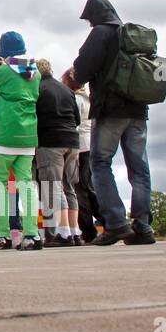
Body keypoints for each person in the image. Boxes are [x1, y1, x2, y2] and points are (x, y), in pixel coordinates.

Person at [72, 0, 154, 246]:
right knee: (139, 169)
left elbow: (83, 69)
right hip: (138, 110)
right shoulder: (133, 35)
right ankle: (143, 227)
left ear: (94, 16)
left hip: (110, 109)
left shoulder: (101, 33)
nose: (88, 24)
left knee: (100, 163)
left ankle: (117, 223)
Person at [0, 32, 42, 250]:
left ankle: (2, 233)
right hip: (27, 136)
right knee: (26, 184)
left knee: (0, 185)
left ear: (4, 53)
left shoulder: (4, 71)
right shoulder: (36, 73)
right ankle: (32, 234)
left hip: (5, 135)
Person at [34, 59, 81, 247]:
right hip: (72, 140)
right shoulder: (66, 90)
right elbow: (76, 118)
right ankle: (74, 231)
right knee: (69, 186)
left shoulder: (37, 90)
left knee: (53, 187)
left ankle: (62, 233)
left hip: (50, 141)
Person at [62, 68, 100, 243]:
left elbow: (73, 123)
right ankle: (108, 220)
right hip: (90, 144)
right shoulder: (88, 98)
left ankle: (88, 230)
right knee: (89, 187)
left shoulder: (75, 99)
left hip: (80, 146)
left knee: (79, 190)